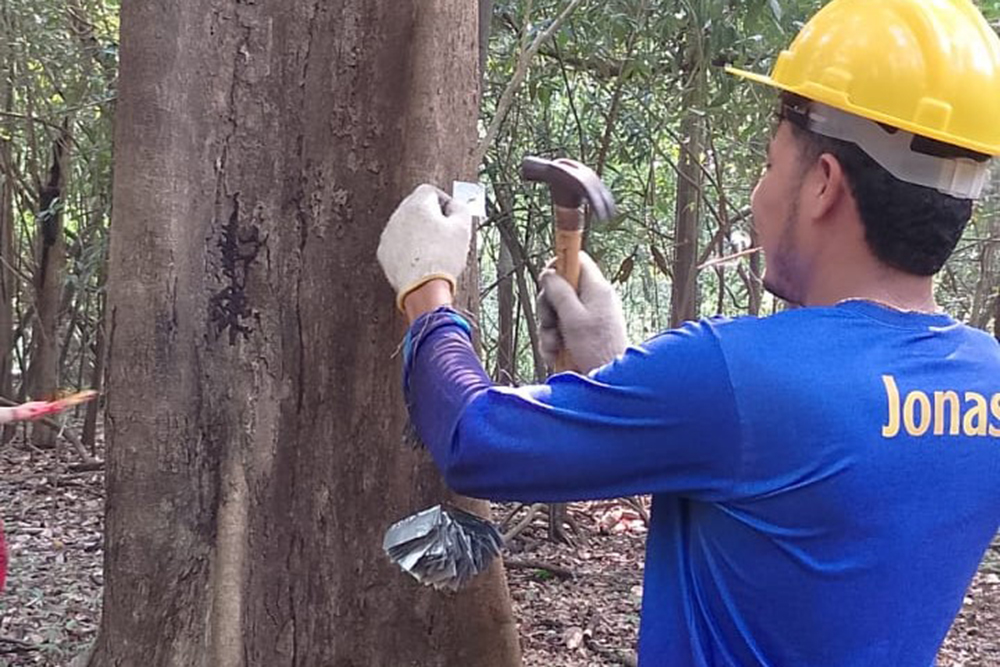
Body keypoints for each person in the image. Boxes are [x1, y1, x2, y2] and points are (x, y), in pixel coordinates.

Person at [376, 0, 1000, 664]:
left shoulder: (738, 373)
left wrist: (427, 290)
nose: (760, 193)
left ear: (823, 184)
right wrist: (617, 368)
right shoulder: (987, 377)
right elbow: (789, 500)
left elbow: (479, 441)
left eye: (769, 164)